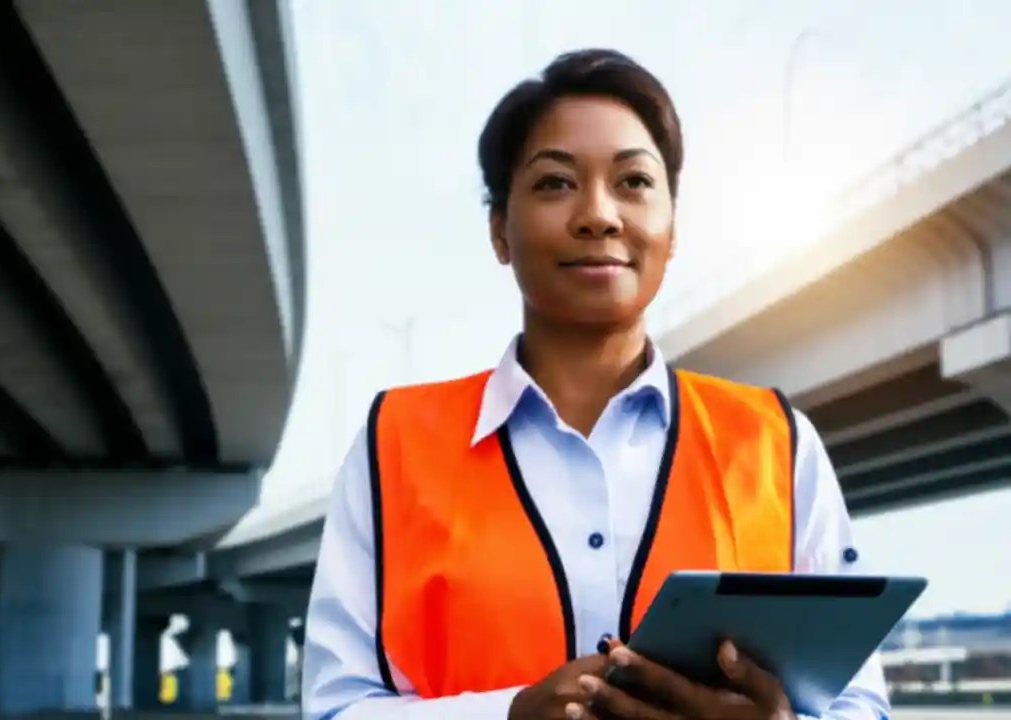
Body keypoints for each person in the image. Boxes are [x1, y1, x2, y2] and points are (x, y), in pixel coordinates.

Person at [301, 48, 889, 720]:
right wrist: (510, 715)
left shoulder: (777, 444)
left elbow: (859, 705)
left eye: (634, 182)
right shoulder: (393, 443)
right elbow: (334, 708)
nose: (599, 215)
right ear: (499, 229)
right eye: (555, 184)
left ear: (671, 231)